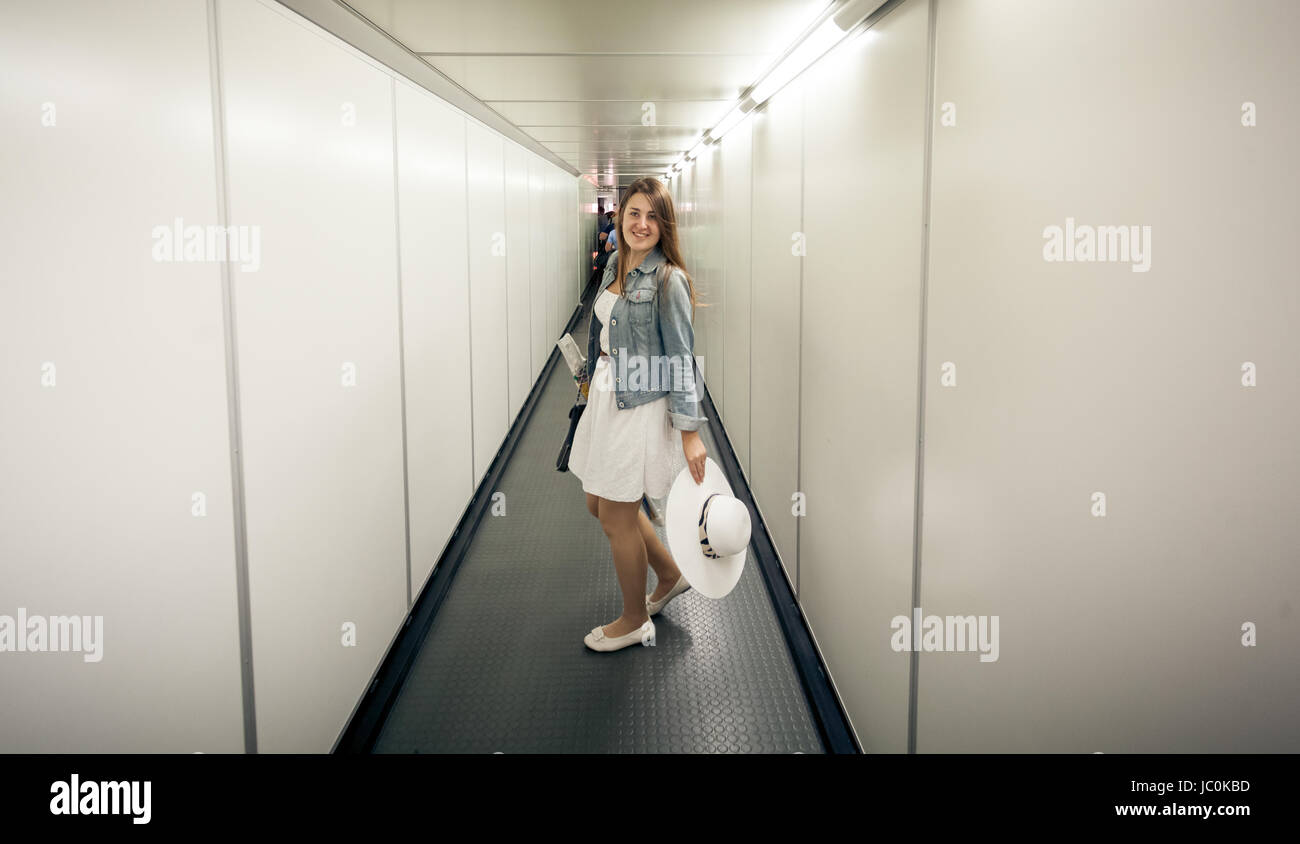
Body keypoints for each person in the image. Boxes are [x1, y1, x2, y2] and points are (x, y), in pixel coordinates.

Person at [567, 178, 707, 651]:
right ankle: (668, 573)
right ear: (620, 216)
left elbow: (682, 359)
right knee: (598, 502)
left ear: (663, 224)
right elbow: (605, 330)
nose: (641, 224)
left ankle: (633, 621)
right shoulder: (613, 263)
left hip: (639, 406)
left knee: (616, 515)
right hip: (608, 395)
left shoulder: (668, 280)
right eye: (633, 213)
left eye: (652, 216)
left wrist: (690, 432)